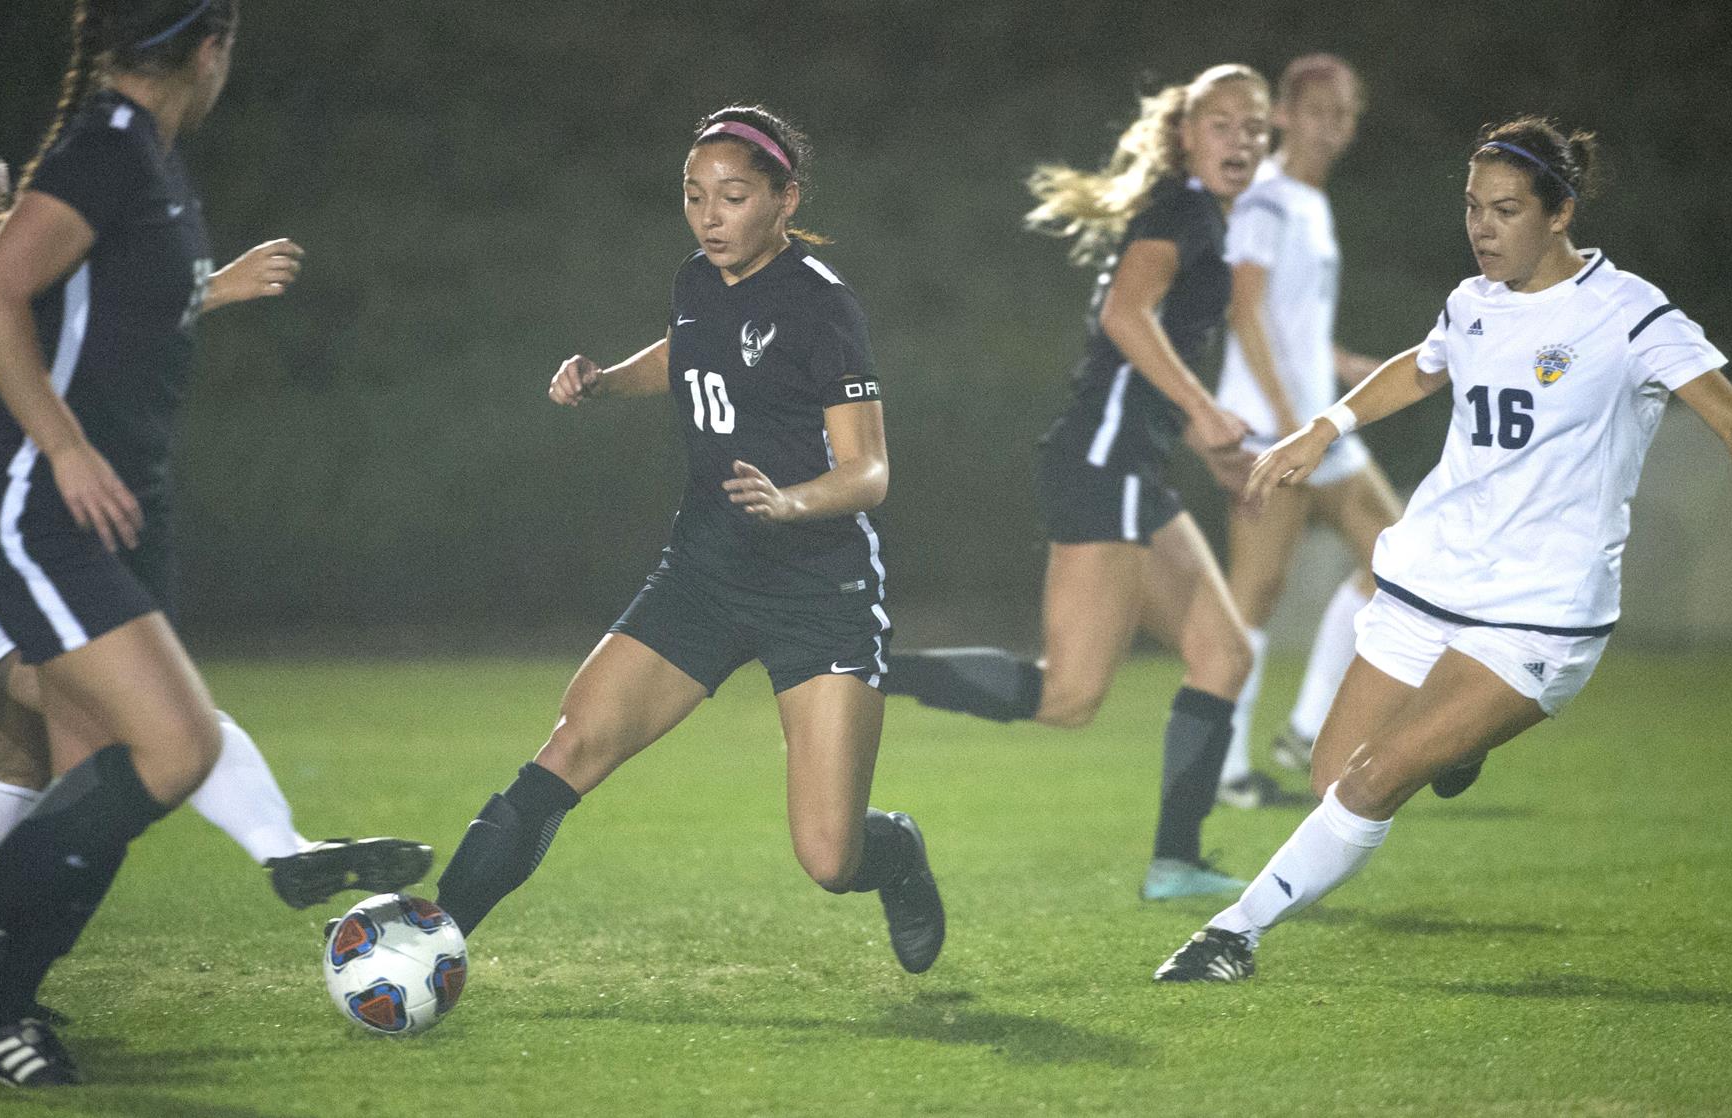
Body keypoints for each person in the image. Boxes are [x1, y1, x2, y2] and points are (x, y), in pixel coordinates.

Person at [1154, 116, 1732, 984]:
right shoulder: (1472, 302)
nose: (1483, 227)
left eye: (1506, 210)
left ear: (1560, 212)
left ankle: (1231, 936)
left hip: (1540, 610)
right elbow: (1423, 366)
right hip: (1431, 580)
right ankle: (1456, 744)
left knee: (1374, 781)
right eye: (1472, 207)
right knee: (1331, 780)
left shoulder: (1628, 312)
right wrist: (1324, 425)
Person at [0, 2, 422, 1087]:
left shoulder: (142, 155)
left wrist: (204, 292)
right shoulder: (104, 144)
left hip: (120, 510)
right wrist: (61, 446)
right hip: (37, 503)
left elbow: (114, 304)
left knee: (100, 772)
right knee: (177, 746)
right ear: (210, 47)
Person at [0, 122, 426, 915]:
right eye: (0, 204)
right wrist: (219, 284)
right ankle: (283, 849)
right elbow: (108, 315)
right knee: (155, 709)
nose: (12, 220)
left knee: (16, 764)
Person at [432, 105, 945, 977]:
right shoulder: (697, 281)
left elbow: (869, 472)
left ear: (785, 200)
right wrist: (604, 382)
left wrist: (792, 501)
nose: (710, 216)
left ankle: (892, 851)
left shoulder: (825, 308)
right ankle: (432, 935)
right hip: (704, 573)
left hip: (819, 592)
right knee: (571, 747)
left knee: (829, 858)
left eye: (734, 196)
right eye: (694, 195)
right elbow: (686, 354)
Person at [881, 66, 1268, 900]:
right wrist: (1203, 414)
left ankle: (1175, 864)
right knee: (1070, 696)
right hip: (1103, 465)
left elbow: (1134, 362)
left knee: (1223, 653)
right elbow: (1124, 320)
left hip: (1125, 464)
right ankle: (867, 668)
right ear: (1185, 136)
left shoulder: (1197, 218)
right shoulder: (1183, 211)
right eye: (1223, 123)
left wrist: (1207, 445)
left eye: (1255, 127)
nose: (1242, 139)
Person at [1212, 54, 1403, 809]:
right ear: (1285, 115)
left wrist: (1346, 364)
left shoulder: (1312, 205)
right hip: (1272, 426)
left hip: (1315, 423)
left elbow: (1293, 327)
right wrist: (1293, 422)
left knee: (1402, 559)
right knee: (1255, 593)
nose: (1335, 124)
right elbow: (1244, 309)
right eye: (1320, 108)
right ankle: (1225, 768)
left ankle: (1305, 725)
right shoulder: (1265, 198)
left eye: (1347, 112)